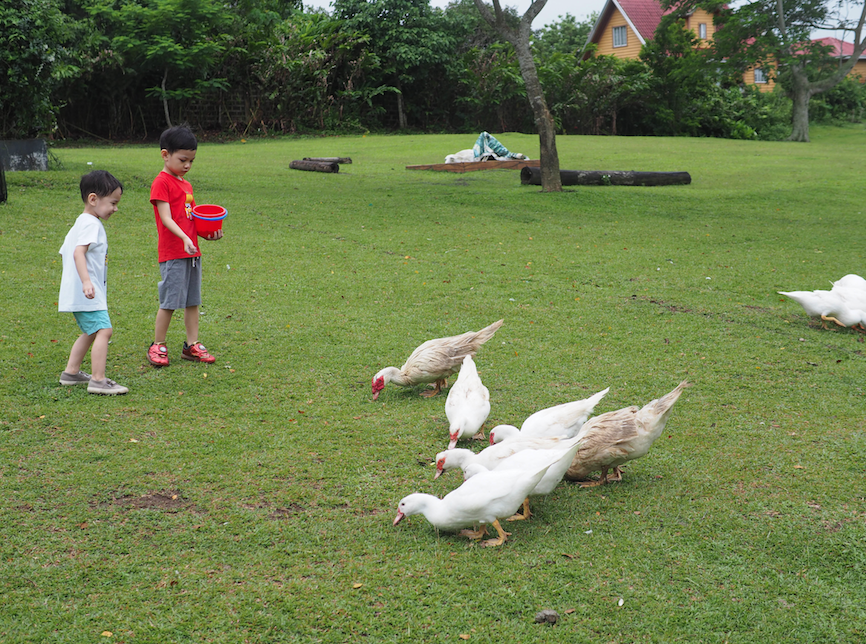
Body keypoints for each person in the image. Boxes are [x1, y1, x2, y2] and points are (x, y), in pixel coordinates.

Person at [147, 125, 223, 367]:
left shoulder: (186, 185)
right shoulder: (162, 183)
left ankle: (192, 345)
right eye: (183, 160)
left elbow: (191, 217)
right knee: (170, 301)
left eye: (192, 160)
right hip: (173, 253)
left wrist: (206, 234)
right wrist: (184, 239)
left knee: (192, 300)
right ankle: (158, 344)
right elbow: (166, 218)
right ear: (165, 154)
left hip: (191, 252)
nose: (188, 165)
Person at [58, 170, 128, 395]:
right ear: (93, 199)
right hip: (87, 291)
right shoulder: (91, 224)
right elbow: (78, 253)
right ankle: (98, 380)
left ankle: (71, 373)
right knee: (104, 330)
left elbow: (65, 252)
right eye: (113, 203)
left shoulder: (81, 222)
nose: (115, 209)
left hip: (79, 292)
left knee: (91, 331)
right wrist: (87, 282)